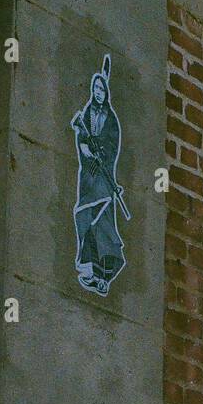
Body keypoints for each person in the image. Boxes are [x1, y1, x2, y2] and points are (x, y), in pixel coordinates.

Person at [71, 55, 130, 296]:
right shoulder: (87, 113)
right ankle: (89, 269)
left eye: (101, 88)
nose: (98, 91)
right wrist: (88, 151)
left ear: (106, 91)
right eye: (95, 88)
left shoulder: (111, 118)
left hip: (104, 178)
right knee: (84, 214)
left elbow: (113, 146)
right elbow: (82, 140)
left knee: (103, 221)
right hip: (89, 176)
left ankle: (104, 273)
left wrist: (101, 156)